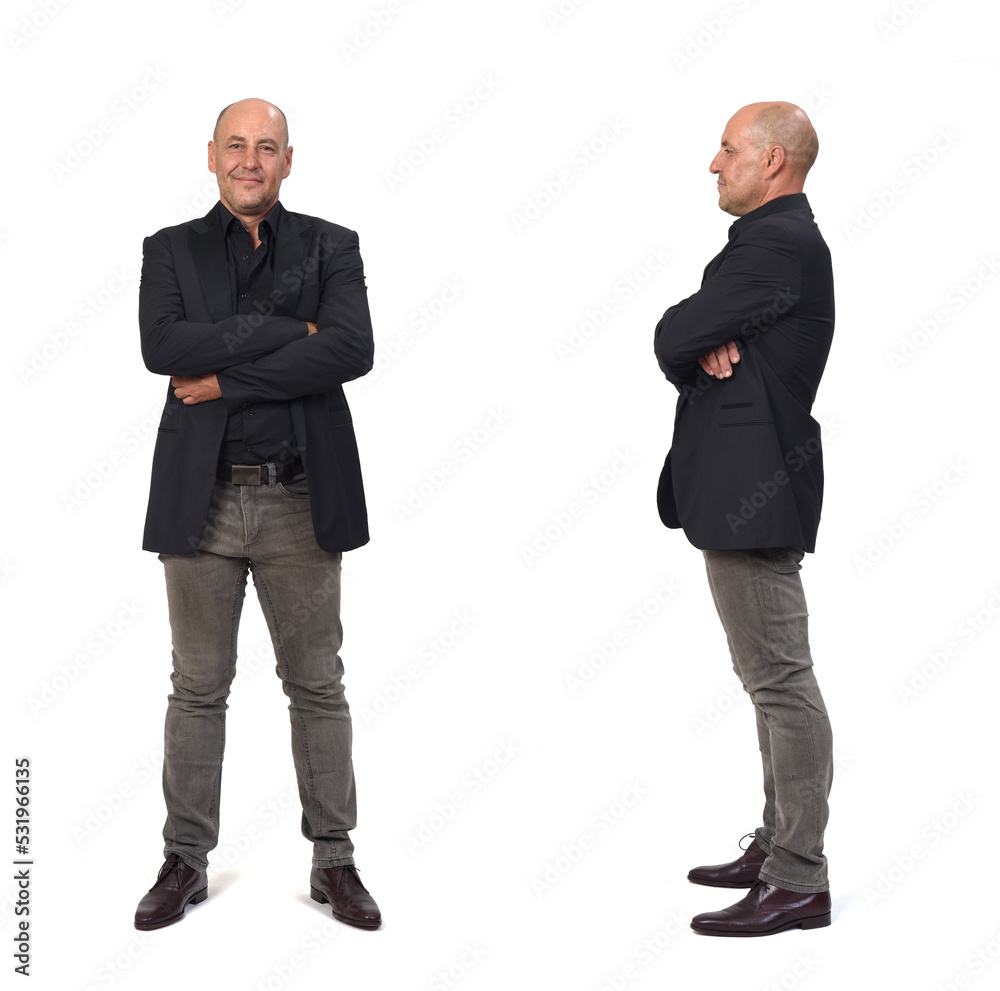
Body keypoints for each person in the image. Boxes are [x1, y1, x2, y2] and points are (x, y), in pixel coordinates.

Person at [133, 98, 380, 931]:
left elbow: (351, 349)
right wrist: (285, 330)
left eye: (266, 147)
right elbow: (164, 348)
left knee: (317, 685)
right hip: (199, 501)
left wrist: (231, 374)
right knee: (197, 687)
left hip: (299, 499)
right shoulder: (169, 249)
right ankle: (184, 859)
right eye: (236, 145)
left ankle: (335, 860)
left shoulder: (330, 245)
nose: (250, 159)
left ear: (287, 160)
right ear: (211, 156)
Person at [653, 102, 835, 936]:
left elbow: (675, 331)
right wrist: (700, 339)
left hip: (756, 490)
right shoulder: (765, 248)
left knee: (781, 682)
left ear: (772, 162)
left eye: (728, 149)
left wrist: (698, 335)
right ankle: (778, 845)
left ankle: (799, 875)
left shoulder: (776, 244)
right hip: (744, 489)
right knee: (767, 680)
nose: (713, 163)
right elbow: (688, 337)